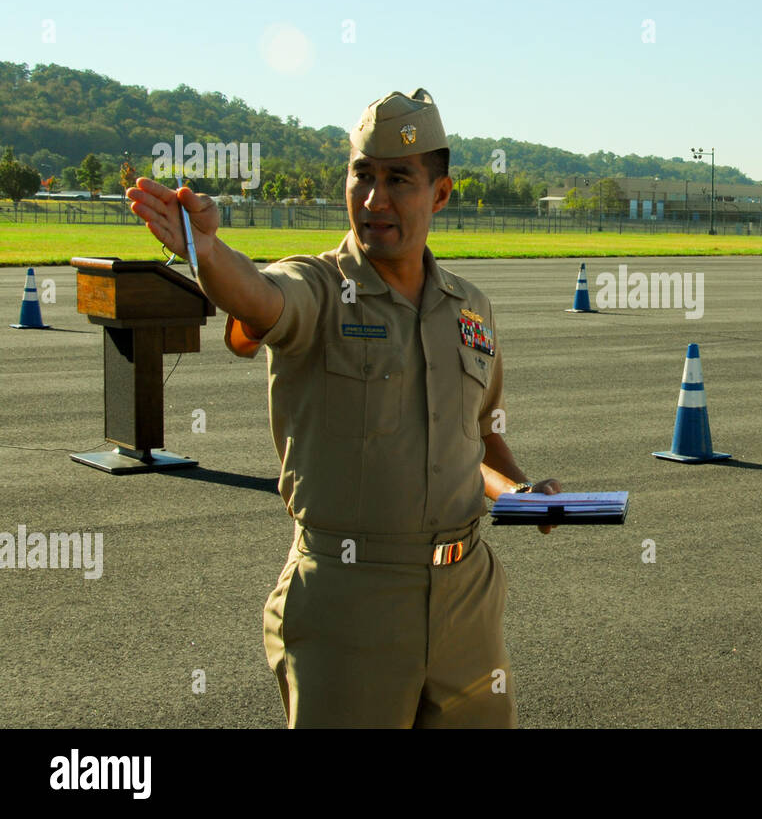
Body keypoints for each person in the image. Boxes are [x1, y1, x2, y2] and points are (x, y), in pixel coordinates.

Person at [127, 87, 559, 728]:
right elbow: (261, 298)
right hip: (349, 599)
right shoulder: (321, 287)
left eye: (398, 180)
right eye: (362, 175)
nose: (374, 199)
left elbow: (475, 439)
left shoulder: (470, 309)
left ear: (440, 194)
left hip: (466, 599)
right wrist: (209, 253)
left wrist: (520, 491)